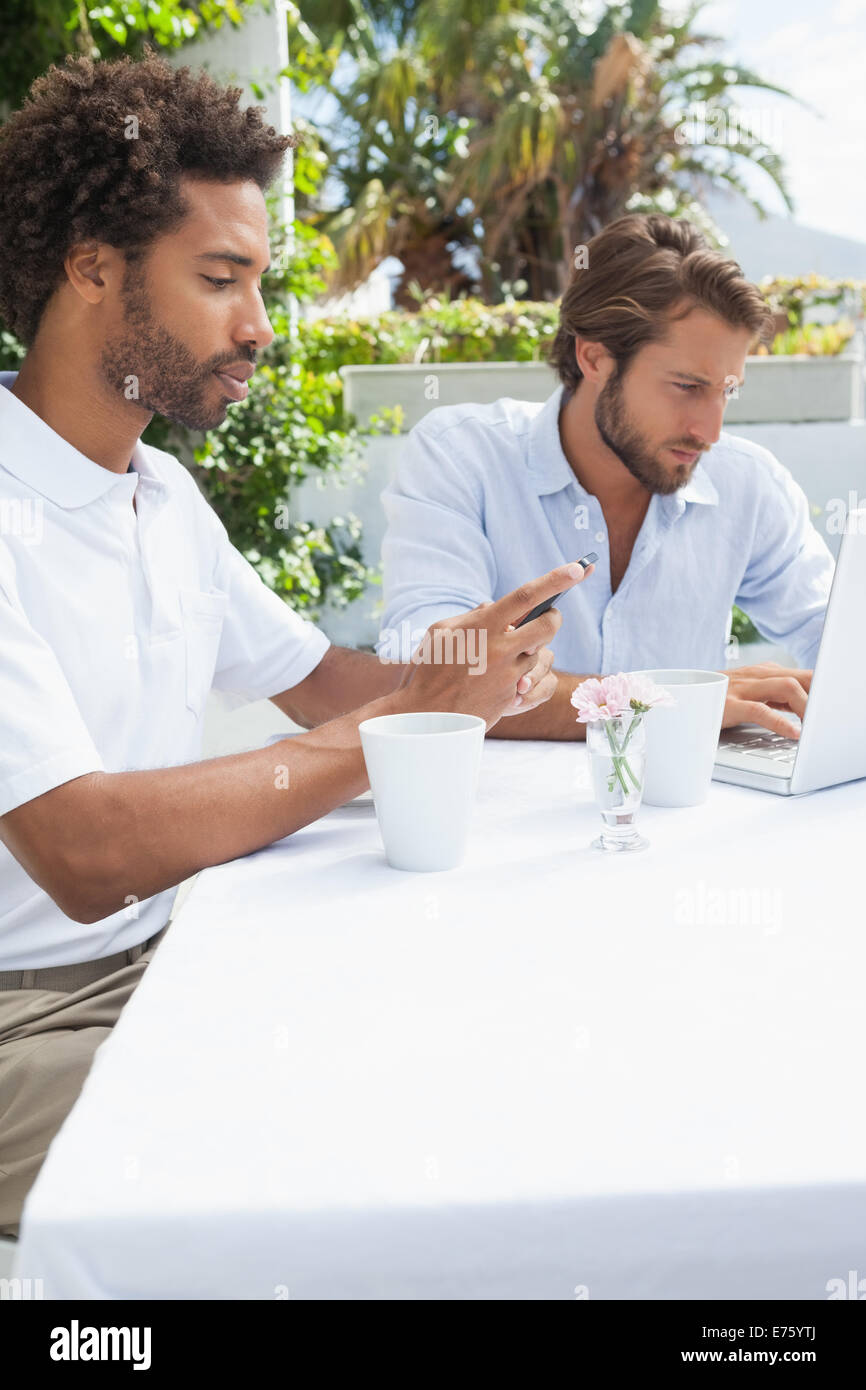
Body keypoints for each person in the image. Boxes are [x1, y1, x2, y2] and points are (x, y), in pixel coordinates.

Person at [0, 50, 589, 1238]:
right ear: (92, 268)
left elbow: (327, 684)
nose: (260, 328)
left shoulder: (160, 495)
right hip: (24, 1021)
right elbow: (85, 849)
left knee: (468, 1014)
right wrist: (408, 719)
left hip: (175, 957)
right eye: (221, 279)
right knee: (341, 1145)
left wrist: (623, 695)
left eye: (257, 283)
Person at [378, 213, 836, 741]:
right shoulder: (460, 456)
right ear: (594, 357)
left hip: (691, 794)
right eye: (687, 386)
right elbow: (433, 676)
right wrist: (672, 704)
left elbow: (836, 638)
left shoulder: (749, 484)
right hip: (509, 796)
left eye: (727, 391)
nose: (710, 431)